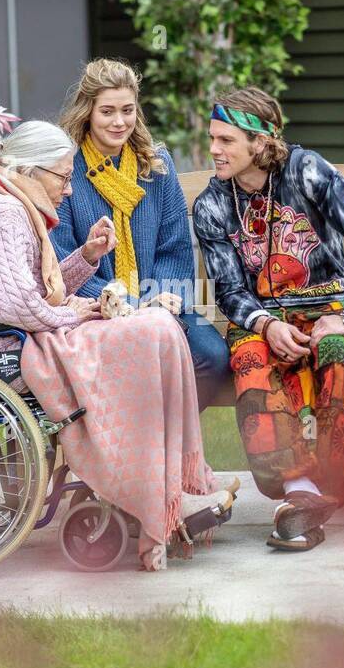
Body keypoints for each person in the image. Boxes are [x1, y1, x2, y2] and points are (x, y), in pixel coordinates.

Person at [0, 120, 236, 570]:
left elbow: (36, 291)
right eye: (62, 177)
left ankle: (171, 490)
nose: (70, 190)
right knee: (147, 334)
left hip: (14, 335)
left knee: (155, 328)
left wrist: (87, 257)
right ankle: (152, 496)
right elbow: (15, 305)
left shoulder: (9, 202)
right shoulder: (1, 214)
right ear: (30, 171)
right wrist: (77, 314)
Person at [192, 88, 344, 553]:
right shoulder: (212, 205)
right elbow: (229, 291)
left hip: (330, 309)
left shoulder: (307, 171)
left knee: (340, 359)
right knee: (252, 369)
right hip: (262, 318)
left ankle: (320, 493)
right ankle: (300, 492)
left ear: (259, 143)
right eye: (212, 139)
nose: (214, 150)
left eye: (226, 140)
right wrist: (265, 325)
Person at [52, 58, 231, 409]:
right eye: (107, 111)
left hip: (159, 303)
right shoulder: (66, 169)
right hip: (95, 310)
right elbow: (62, 259)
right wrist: (129, 310)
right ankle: (132, 446)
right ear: (87, 111)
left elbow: (175, 248)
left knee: (213, 358)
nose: (119, 122)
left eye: (127, 110)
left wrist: (156, 305)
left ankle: (154, 438)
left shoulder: (156, 165)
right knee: (128, 362)